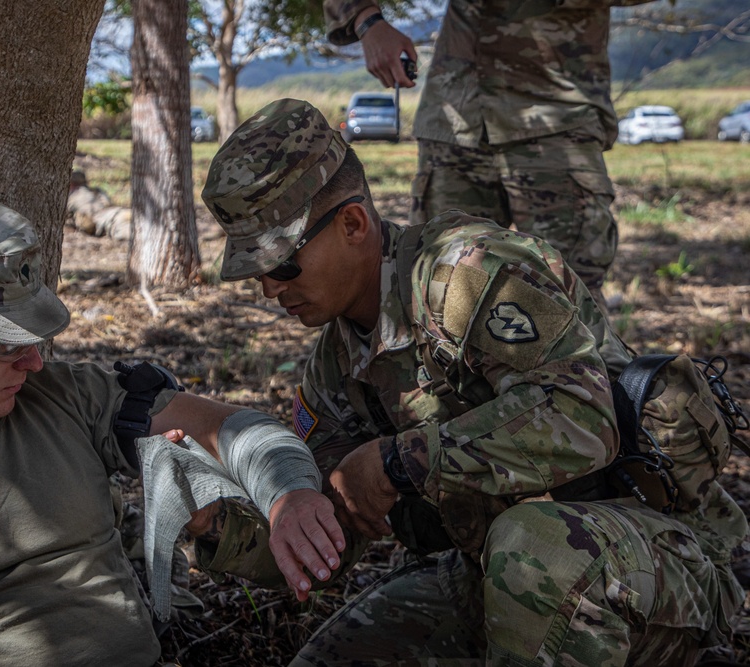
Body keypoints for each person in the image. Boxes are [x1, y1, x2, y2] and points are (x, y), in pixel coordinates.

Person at [200, 97, 747, 666]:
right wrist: (214, 524)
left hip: (652, 560)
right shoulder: (335, 368)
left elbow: (586, 418)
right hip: (499, 573)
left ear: (353, 224)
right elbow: (324, 534)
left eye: (282, 263)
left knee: (533, 545)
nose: (269, 288)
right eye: (255, 271)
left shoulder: (470, 274)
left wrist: (395, 462)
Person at [0, 188, 346, 666]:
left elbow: (231, 429)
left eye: (34, 339)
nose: (34, 362)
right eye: (5, 345)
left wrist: (289, 492)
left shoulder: (61, 397)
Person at [323, 0, 657, 311]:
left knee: (569, 299)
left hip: (556, 120)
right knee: (439, 290)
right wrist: (368, 21)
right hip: (456, 123)